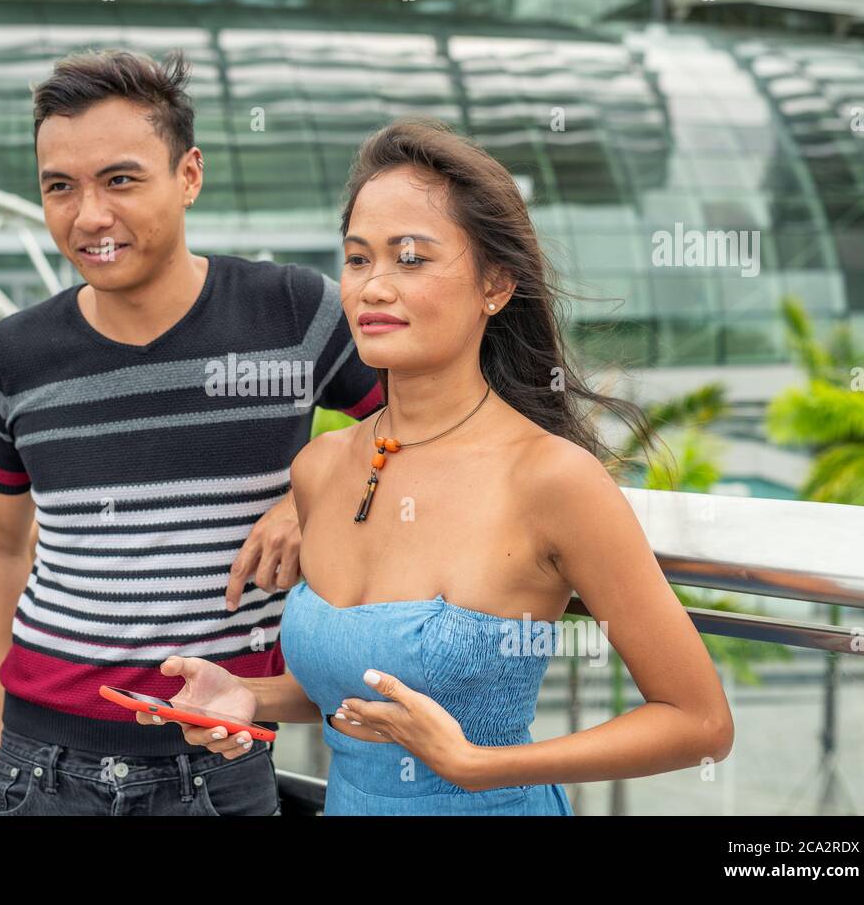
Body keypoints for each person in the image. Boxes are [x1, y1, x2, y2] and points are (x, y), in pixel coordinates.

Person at [139, 118, 735, 815]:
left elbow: (700, 723)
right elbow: (367, 687)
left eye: (411, 258)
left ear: (496, 284)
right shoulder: (321, 468)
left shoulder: (552, 479)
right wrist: (249, 694)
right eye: (358, 259)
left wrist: (481, 765)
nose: (372, 288)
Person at [0, 49, 383, 816]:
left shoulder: (294, 312)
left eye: (120, 179)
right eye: (60, 186)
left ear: (189, 174)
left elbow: (436, 417)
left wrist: (312, 491)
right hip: (40, 760)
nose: (89, 215)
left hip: (214, 756)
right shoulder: (16, 354)